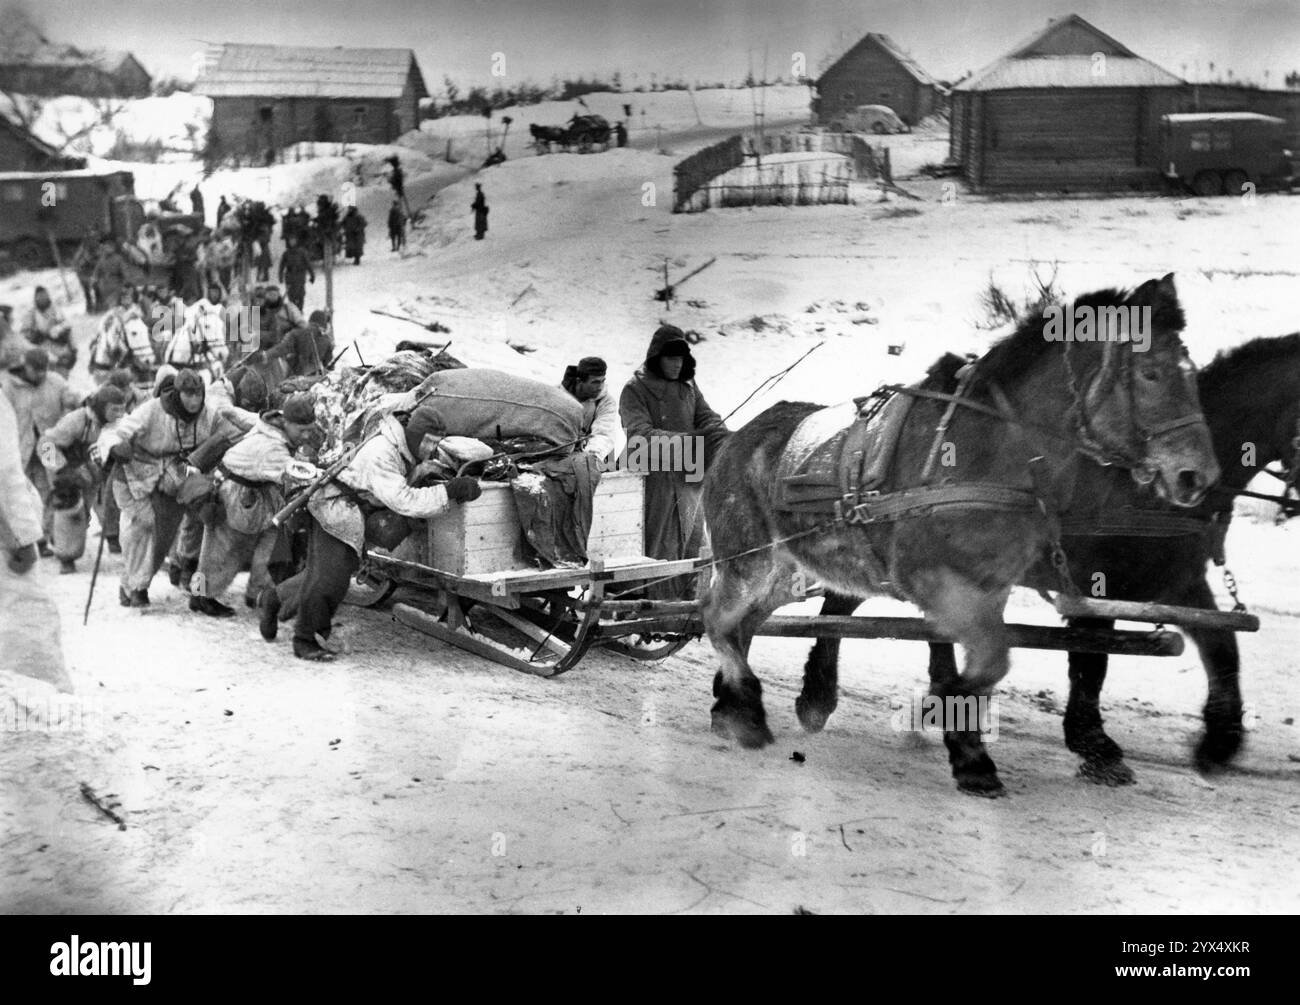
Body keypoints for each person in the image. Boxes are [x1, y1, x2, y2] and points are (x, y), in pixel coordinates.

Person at [259, 408, 482, 661]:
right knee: (330, 580)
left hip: (352, 509)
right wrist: (449, 491)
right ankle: (306, 639)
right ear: (415, 435)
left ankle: (273, 598)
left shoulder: (403, 446)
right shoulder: (382, 453)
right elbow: (404, 500)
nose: (431, 448)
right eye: (428, 441)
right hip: (336, 508)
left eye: (436, 442)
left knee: (325, 571)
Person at [92, 369, 253, 607]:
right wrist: (115, 446)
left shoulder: (209, 413)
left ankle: (188, 568)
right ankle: (134, 586)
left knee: (209, 506)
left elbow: (233, 430)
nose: (194, 400)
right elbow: (116, 429)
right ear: (177, 394)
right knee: (145, 526)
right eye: (188, 394)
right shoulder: (152, 410)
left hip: (178, 473)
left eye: (198, 394)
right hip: (136, 473)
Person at [618, 324, 730, 599]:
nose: (677, 364)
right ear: (657, 357)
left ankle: (689, 595)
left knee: (692, 536)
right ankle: (648, 597)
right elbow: (639, 434)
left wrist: (717, 432)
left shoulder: (688, 386)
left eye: (681, 359)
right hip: (653, 474)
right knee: (659, 542)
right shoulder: (635, 389)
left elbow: (706, 416)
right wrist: (690, 439)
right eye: (671, 358)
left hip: (689, 473)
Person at [190, 393, 321, 617]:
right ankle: (200, 597)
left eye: (311, 429)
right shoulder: (272, 448)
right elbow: (297, 475)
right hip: (234, 496)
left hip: (255, 493)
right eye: (302, 430)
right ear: (287, 423)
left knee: (269, 543)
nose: (307, 435)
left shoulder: (273, 425)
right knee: (216, 554)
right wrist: (325, 473)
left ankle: (258, 593)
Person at [1, 386, 72, 694]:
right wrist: (18, 536)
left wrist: (60, 469)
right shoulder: (10, 387)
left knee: (44, 496)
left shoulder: (54, 383)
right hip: (28, 457)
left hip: (39, 462)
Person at [37, 385, 127, 573]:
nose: (119, 413)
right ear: (102, 407)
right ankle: (65, 556)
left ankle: (63, 540)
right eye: (114, 409)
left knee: (83, 513)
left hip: (92, 471)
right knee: (67, 508)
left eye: (122, 408)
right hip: (66, 470)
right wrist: (62, 470)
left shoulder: (120, 423)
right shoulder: (76, 420)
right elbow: (45, 444)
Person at [2, 347, 80, 556]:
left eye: (44, 370)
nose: (41, 375)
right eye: (36, 371)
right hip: (21, 448)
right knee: (19, 493)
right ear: (25, 367)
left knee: (49, 491)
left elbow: (72, 398)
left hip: (48, 447)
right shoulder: (9, 387)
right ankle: (21, 539)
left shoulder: (55, 381)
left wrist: (75, 404)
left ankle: (43, 539)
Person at [561, 356, 621, 465]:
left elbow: (604, 433)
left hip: (593, 453)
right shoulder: (558, 395)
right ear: (579, 381)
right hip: (560, 451)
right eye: (595, 382)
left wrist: (591, 458)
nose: (600, 387)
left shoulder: (605, 401)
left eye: (603, 381)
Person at [167, 282, 229, 382]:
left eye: (216, 292)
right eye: (212, 292)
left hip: (216, 345)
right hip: (199, 348)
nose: (214, 295)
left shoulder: (219, 309)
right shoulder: (199, 307)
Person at [19, 287, 76, 376]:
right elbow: (23, 335)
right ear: (35, 298)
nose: (43, 298)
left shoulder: (56, 310)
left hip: (61, 352)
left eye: (44, 295)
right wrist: (34, 336)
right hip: (42, 355)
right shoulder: (31, 314)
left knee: (62, 380)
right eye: (40, 296)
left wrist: (74, 349)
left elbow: (68, 328)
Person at [278, 234, 315, 311]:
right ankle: (293, 314)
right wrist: (280, 276)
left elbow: (308, 264)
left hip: (300, 277)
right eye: (290, 240)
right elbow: (282, 265)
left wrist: (312, 275)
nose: (292, 242)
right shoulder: (286, 253)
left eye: (293, 240)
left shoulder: (302, 252)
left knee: (300, 296)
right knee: (291, 297)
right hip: (290, 277)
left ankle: (300, 313)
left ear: (296, 241)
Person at [91, 238, 128, 311]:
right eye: (106, 248)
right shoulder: (103, 259)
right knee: (113, 303)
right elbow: (96, 271)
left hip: (112, 284)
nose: (107, 249)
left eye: (109, 247)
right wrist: (94, 279)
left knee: (114, 303)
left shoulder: (117, 258)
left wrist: (125, 281)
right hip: (108, 285)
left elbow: (124, 271)